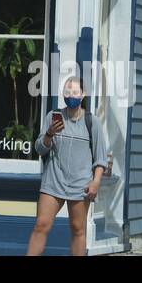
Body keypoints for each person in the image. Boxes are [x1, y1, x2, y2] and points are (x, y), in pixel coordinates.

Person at [26, 75, 110, 256]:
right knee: (41, 225)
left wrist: (95, 182)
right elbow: (39, 149)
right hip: (53, 181)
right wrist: (49, 134)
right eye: (67, 91)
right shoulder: (53, 116)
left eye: (75, 92)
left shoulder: (91, 122)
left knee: (78, 229)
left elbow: (100, 159)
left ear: (83, 94)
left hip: (80, 184)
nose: (70, 95)